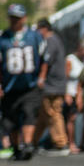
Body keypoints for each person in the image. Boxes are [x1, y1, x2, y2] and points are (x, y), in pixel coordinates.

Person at [0, 4, 42, 161]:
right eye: (12, 17)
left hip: (30, 85)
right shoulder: (1, 38)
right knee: (9, 119)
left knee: (29, 113)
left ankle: (27, 144)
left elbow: (45, 59)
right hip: (9, 86)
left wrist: (42, 77)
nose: (14, 21)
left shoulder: (34, 36)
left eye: (17, 18)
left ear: (24, 18)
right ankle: (16, 146)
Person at [32, 18, 70, 155]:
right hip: (56, 84)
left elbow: (45, 62)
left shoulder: (50, 41)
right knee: (43, 115)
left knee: (53, 113)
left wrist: (40, 78)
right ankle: (32, 142)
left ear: (44, 28)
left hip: (52, 85)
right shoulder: (56, 40)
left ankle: (61, 143)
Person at [64, 36, 84, 153]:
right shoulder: (70, 59)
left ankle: (82, 143)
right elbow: (65, 77)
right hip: (71, 92)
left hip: (81, 94)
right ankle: (71, 143)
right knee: (71, 118)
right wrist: (66, 93)